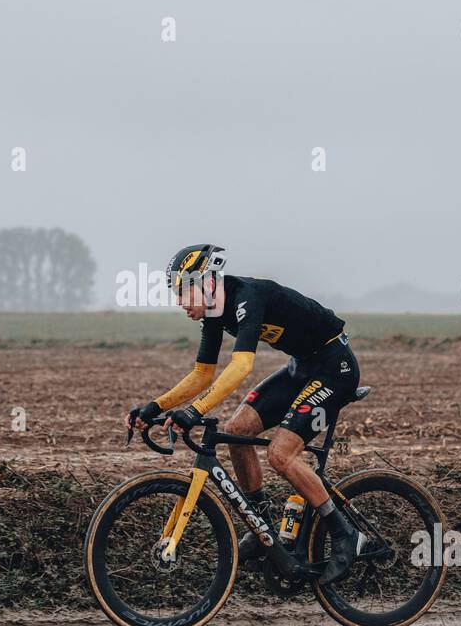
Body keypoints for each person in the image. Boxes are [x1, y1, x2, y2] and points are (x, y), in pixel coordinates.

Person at [125, 244, 364, 585]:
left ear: (207, 283)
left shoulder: (246, 297)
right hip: (301, 367)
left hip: (333, 368)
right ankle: (262, 527)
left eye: (182, 291)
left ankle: (345, 535)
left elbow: (242, 366)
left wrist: (194, 411)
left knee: (280, 454)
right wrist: (156, 406)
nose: (178, 302)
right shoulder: (213, 312)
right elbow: (202, 374)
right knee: (239, 430)